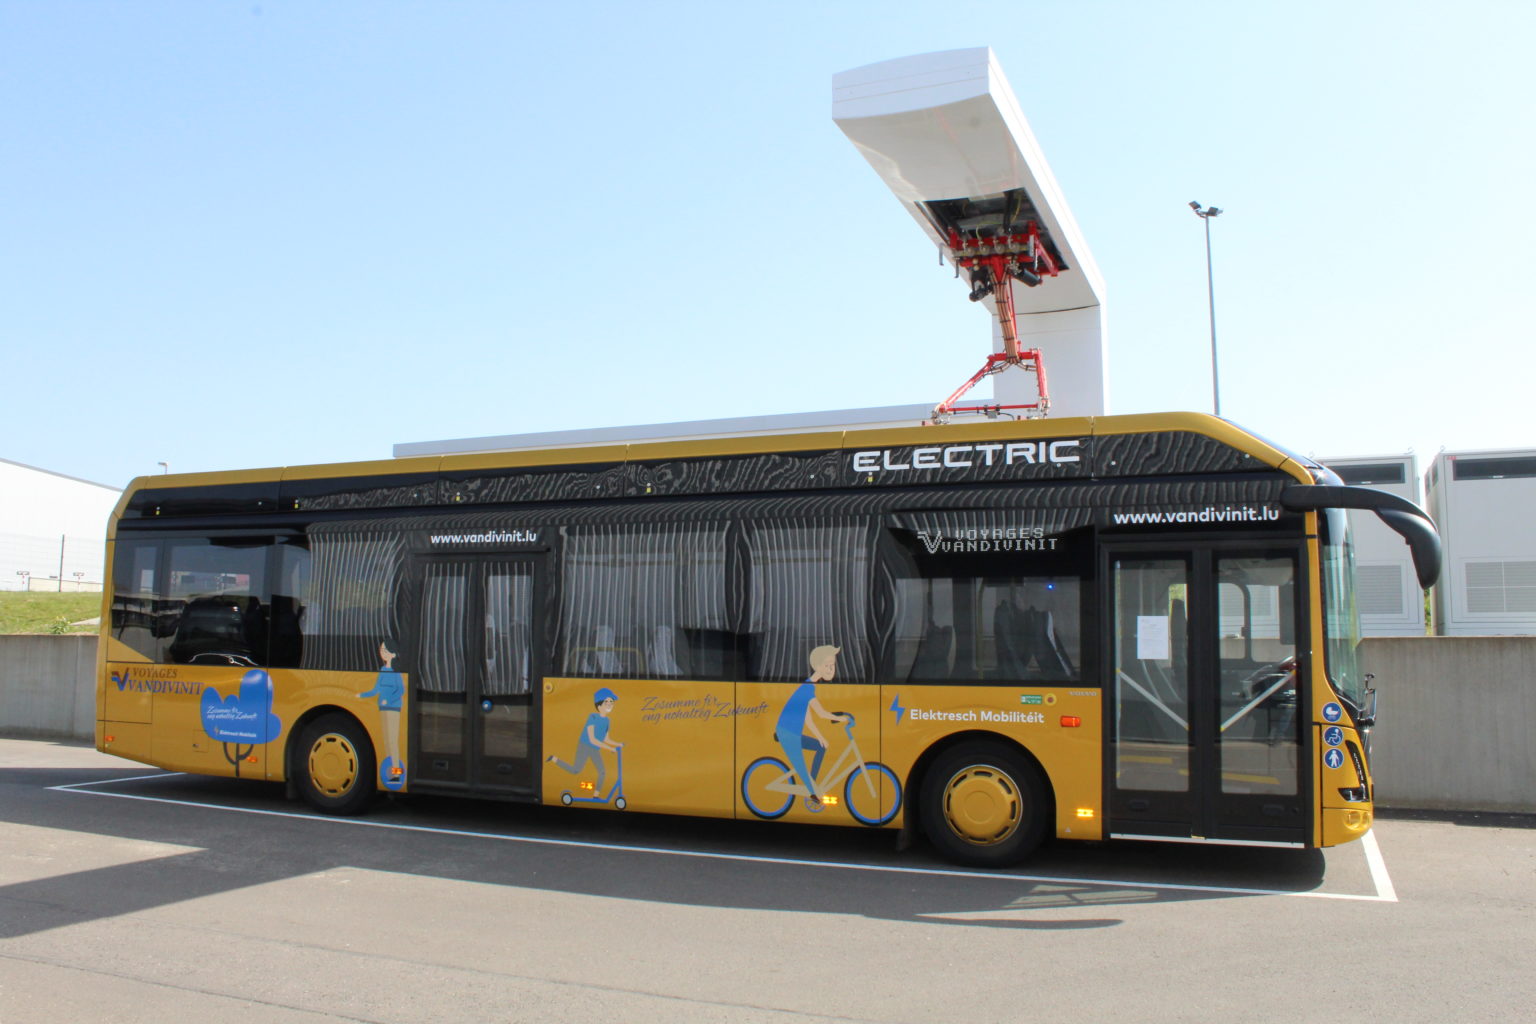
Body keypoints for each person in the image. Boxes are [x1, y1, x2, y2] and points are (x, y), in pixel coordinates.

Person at [774, 645, 848, 813]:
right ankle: (811, 789)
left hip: (793, 731)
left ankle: (812, 783)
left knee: (820, 746)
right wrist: (840, 718)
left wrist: (819, 736)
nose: (831, 669)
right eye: (828, 666)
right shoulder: (807, 687)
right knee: (801, 766)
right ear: (817, 667)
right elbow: (821, 714)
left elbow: (807, 717)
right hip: (787, 733)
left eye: (833, 665)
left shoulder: (810, 686)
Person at [547, 687, 623, 796]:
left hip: (594, 748)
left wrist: (618, 744)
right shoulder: (592, 717)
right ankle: (554, 759)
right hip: (585, 746)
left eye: (612, 701)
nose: (610, 704)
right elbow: (593, 739)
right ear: (599, 704)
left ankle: (595, 796)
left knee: (602, 772)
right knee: (576, 770)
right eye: (607, 701)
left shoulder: (607, 720)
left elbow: (606, 738)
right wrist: (610, 748)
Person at [357, 638, 404, 778]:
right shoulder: (383, 670)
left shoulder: (396, 672)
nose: (382, 652)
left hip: (393, 709)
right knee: (386, 741)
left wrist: (387, 700)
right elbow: (376, 689)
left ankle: (397, 772)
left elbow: (400, 691)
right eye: (381, 650)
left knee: (393, 741)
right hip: (383, 708)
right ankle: (391, 772)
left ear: (393, 654)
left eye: (385, 650)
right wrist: (362, 695)